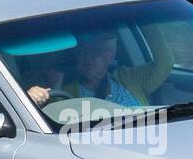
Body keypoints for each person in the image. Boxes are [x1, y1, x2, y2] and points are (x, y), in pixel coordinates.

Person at [46, 25, 174, 108]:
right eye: (82, 53)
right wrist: (54, 87)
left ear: (110, 56)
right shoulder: (65, 90)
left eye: (95, 51)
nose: (88, 58)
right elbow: (58, 124)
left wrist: (146, 18)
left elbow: (165, 62)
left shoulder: (130, 78)